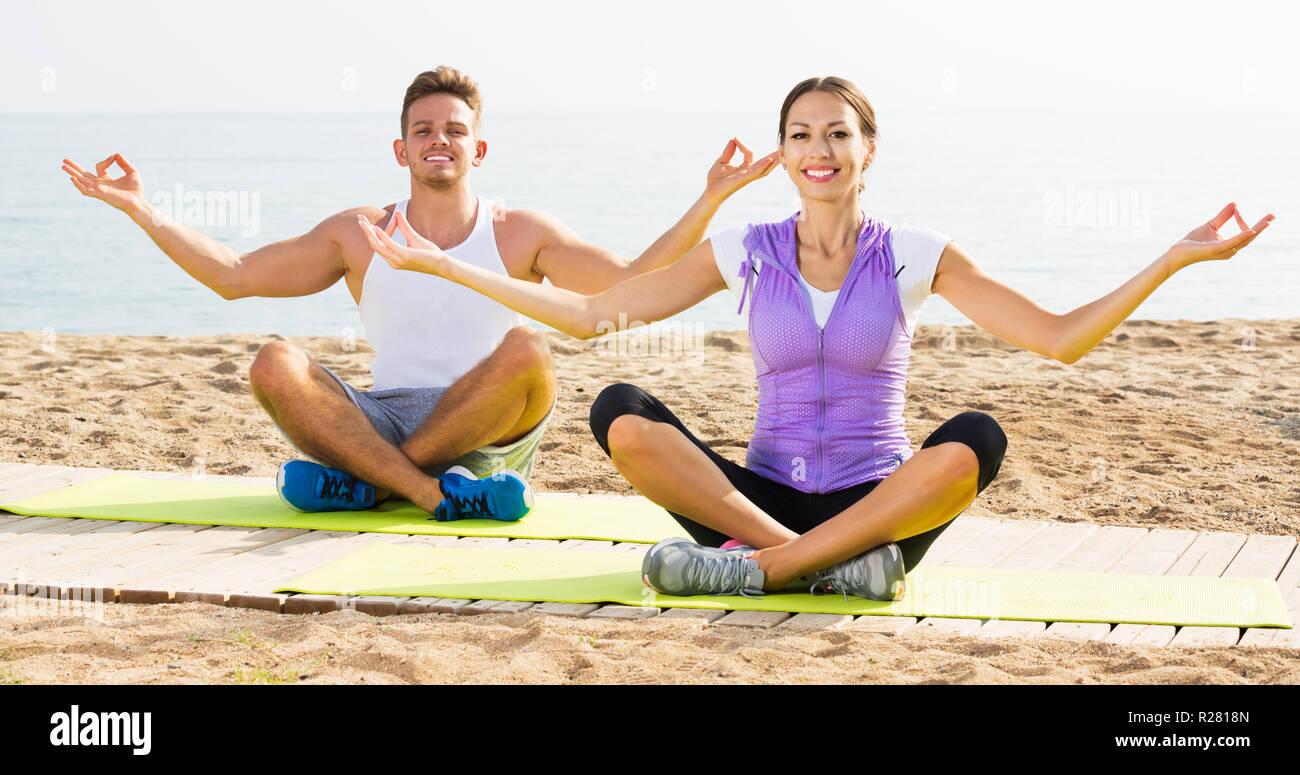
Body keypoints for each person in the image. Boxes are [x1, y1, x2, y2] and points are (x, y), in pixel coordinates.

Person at [357, 75, 1274, 600]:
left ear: (868, 148)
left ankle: (764, 573)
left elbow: (1062, 337)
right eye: (799, 135)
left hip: (877, 510)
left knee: (977, 438)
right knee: (622, 412)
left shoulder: (914, 254)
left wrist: (1174, 260)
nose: (816, 148)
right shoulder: (746, 250)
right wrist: (448, 268)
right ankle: (794, 560)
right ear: (786, 155)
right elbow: (602, 318)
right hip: (760, 501)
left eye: (836, 132)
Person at [61, 66, 776, 520]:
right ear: (401, 149)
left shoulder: (518, 229)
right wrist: (143, 209)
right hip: (384, 417)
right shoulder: (358, 232)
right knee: (274, 360)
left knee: (529, 348)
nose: (440, 140)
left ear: (478, 150)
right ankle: (430, 491)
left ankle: (373, 488)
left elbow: (625, 284)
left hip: (489, 427)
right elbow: (235, 275)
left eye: (455, 131)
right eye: (423, 130)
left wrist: (710, 197)